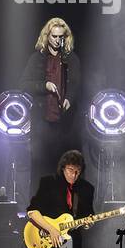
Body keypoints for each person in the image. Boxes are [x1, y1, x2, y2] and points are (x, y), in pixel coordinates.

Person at [19, 18, 82, 183]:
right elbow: (24, 84)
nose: (57, 40)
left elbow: (77, 85)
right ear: (47, 36)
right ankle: (38, 206)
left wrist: (69, 98)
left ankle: (67, 207)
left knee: (65, 168)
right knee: (41, 167)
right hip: (42, 123)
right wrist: (44, 85)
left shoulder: (71, 59)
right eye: (54, 36)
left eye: (61, 37)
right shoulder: (36, 59)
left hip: (64, 125)